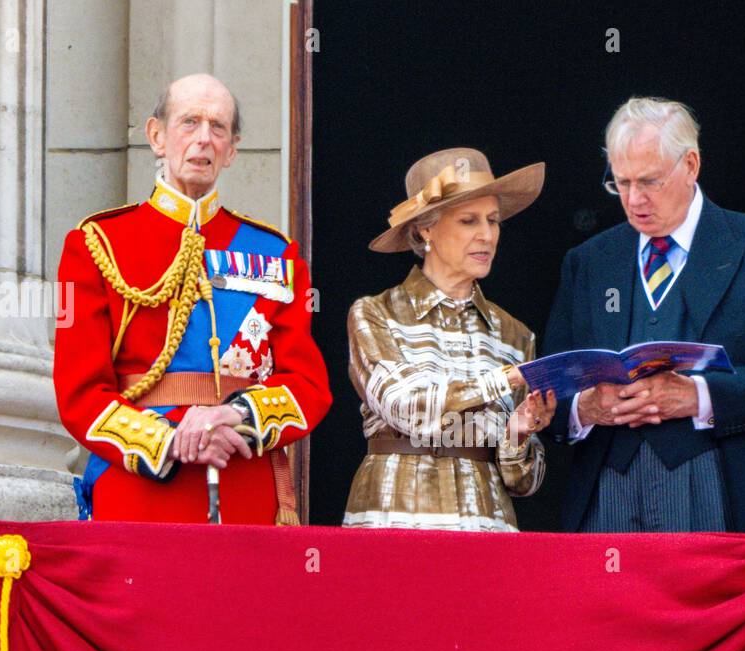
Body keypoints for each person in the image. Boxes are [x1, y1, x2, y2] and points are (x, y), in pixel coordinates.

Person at [543, 97, 745, 532]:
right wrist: (586, 408)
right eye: (620, 183)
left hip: (718, 488)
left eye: (650, 181)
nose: (634, 199)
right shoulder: (589, 261)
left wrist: (698, 397)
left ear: (691, 165)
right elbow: (550, 388)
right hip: (605, 493)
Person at [54, 73, 331, 523]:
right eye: (190, 122)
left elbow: (308, 385)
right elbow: (79, 392)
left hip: (243, 480)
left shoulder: (276, 255)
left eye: (218, 127)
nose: (204, 139)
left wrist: (234, 418)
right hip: (139, 488)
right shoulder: (96, 244)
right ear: (157, 136)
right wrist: (167, 440)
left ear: (232, 150)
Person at [343, 148, 556, 531]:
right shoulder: (375, 313)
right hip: (393, 520)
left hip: (487, 528)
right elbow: (404, 405)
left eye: (493, 221)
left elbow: (525, 484)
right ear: (426, 228)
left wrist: (518, 434)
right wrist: (501, 380)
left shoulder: (516, 334)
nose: (487, 235)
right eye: (469, 220)